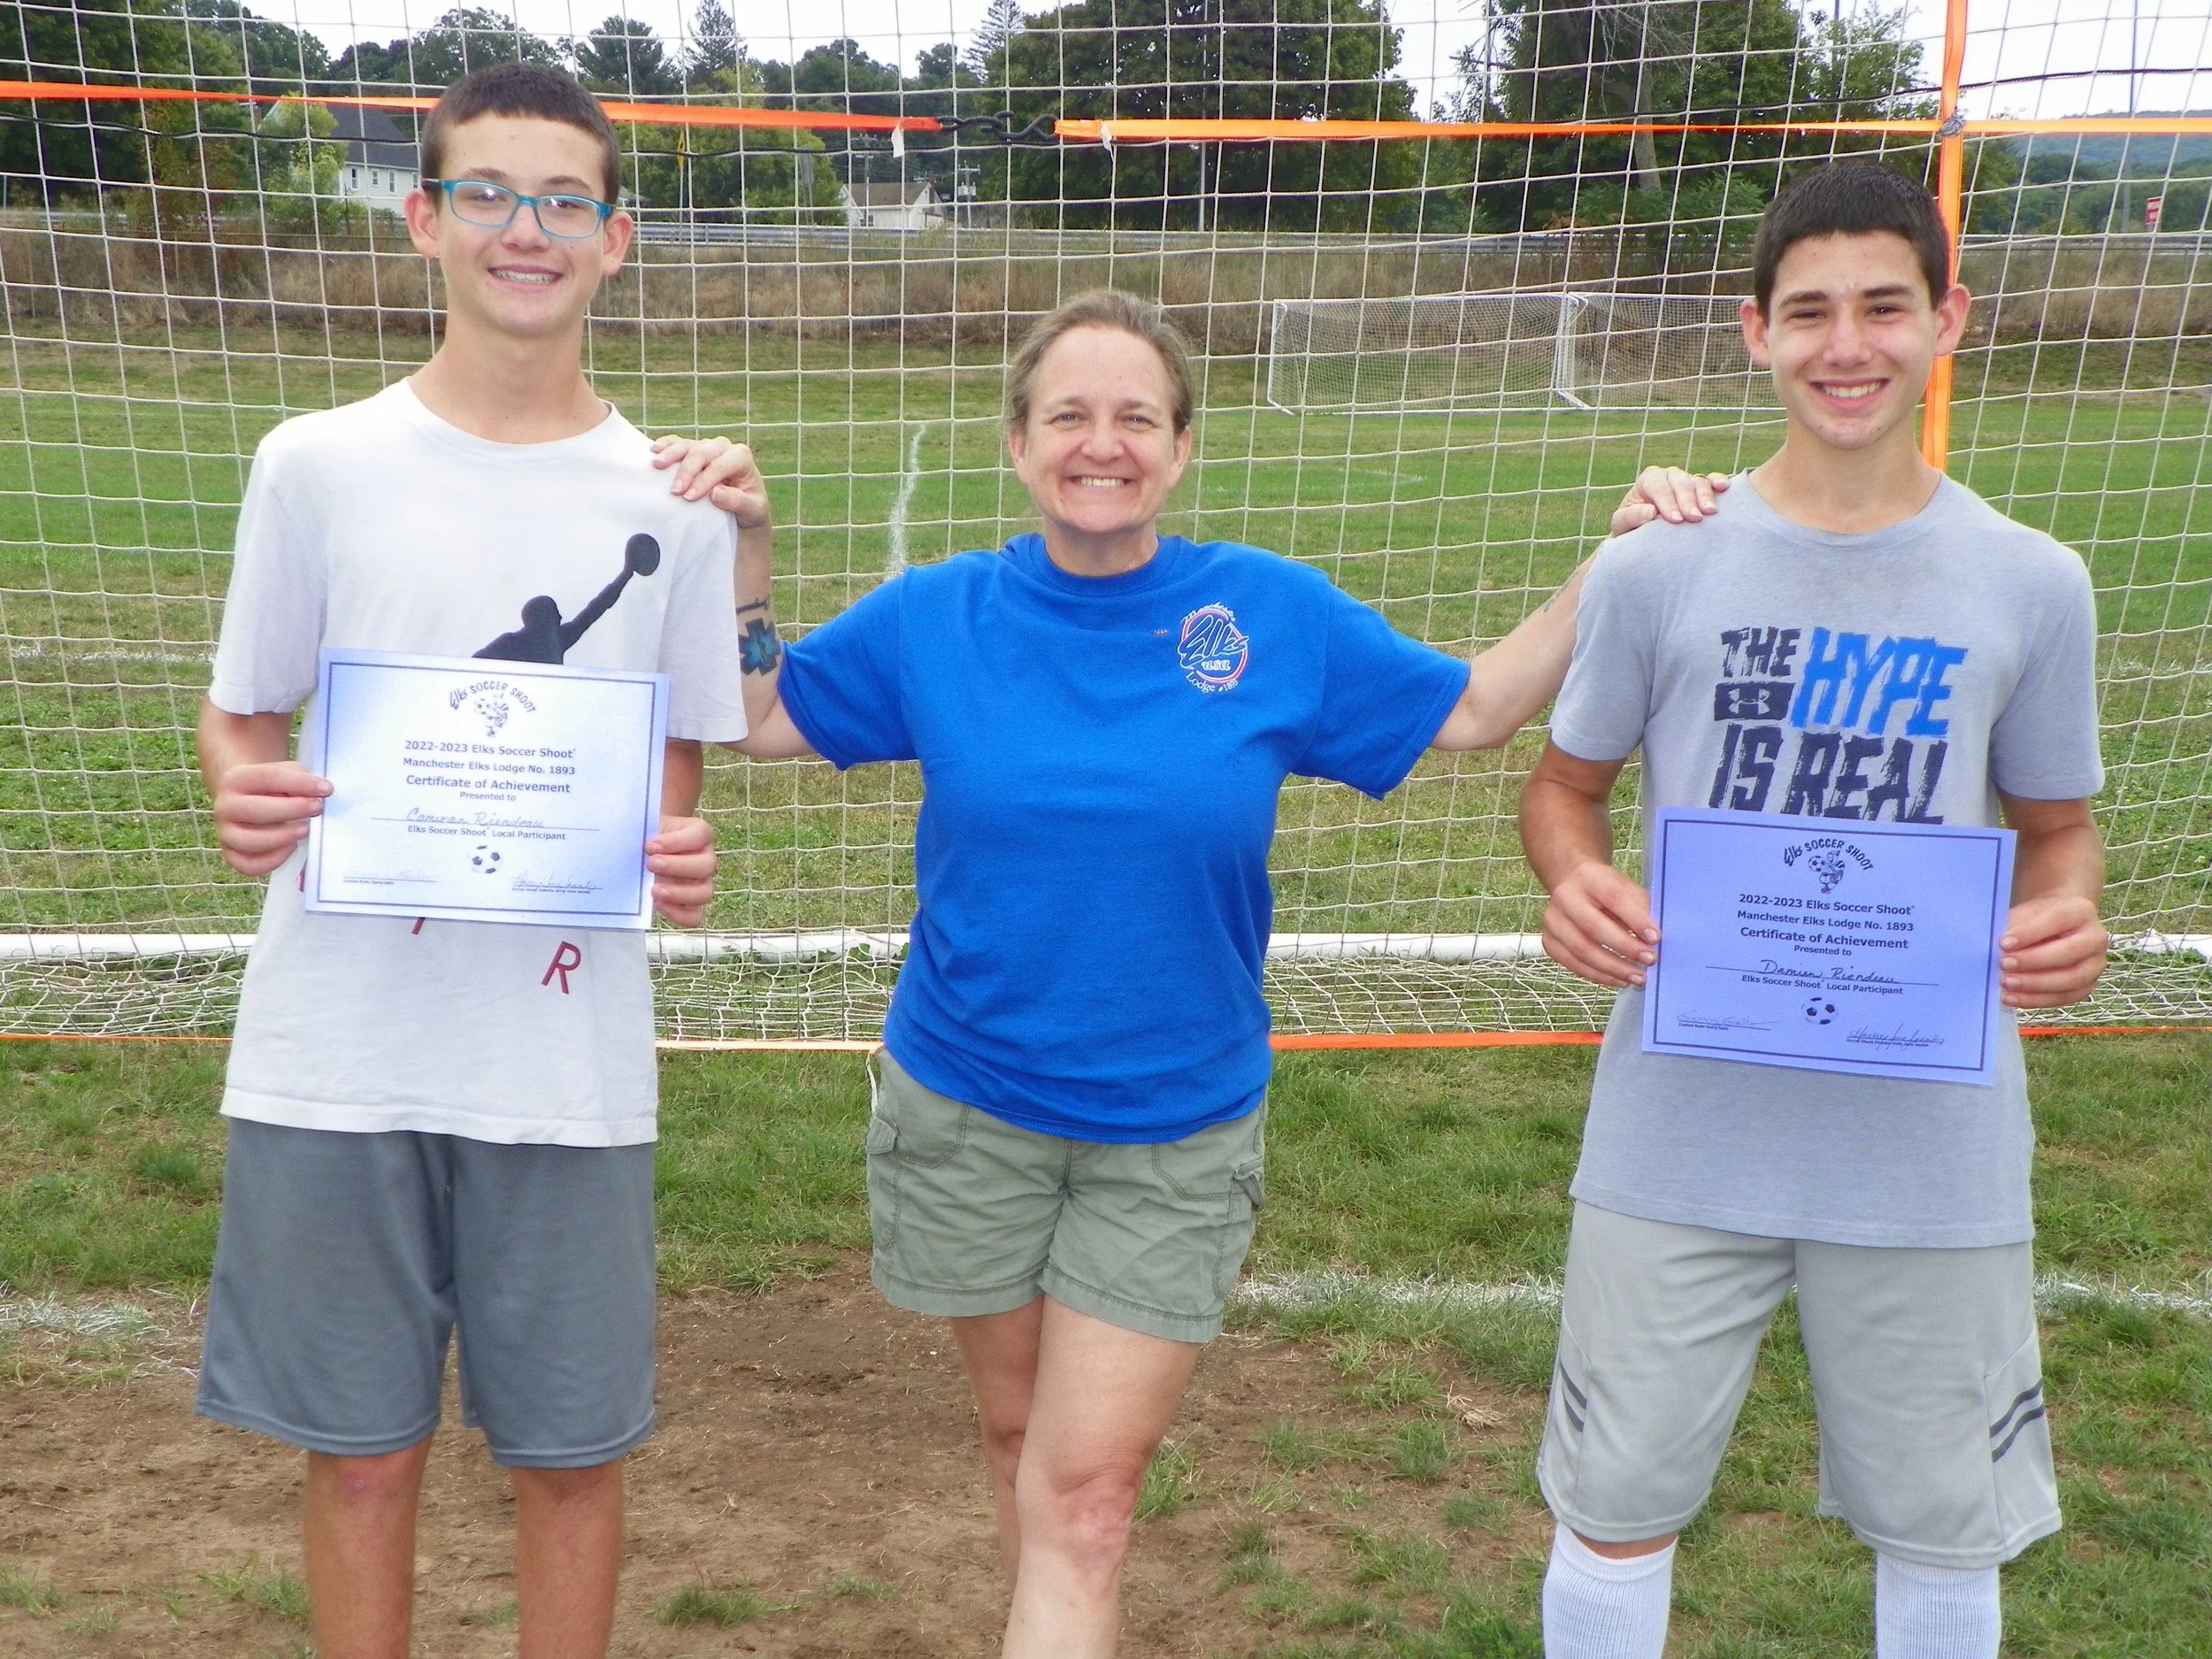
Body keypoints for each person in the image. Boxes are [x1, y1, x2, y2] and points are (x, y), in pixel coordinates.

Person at [664, 288, 1698, 1659]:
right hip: (965, 1101)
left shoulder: (1263, 611)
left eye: (1137, 416)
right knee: (1024, 1445)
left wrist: (1614, 557)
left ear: (1182, 445)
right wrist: (750, 543)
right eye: (1070, 415)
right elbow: (757, 710)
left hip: (1175, 1121)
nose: (1104, 442)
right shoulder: (941, 617)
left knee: (1085, 1497)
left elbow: (1472, 709)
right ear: (1021, 444)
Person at [194, 64, 762, 1659]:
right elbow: (240, 717)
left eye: (566, 199)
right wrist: (246, 797)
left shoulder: (679, 506)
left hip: (560, 1061)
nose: (531, 229)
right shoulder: (315, 461)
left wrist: (676, 853)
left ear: (619, 237)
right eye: (493, 195)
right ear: (424, 217)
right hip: (338, 1048)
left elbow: (673, 782)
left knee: (571, 1462)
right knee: (363, 1455)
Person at [1518, 160, 2108, 1659]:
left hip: (1927, 1144)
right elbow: (1562, 786)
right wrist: (1576, 880)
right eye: (1810, 313)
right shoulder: (1662, 560)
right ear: (1753, 332)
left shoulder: (2032, 583)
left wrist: (2068, 915)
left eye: (1884, 308)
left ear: (1947, 320)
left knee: (1939, 1524)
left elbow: (2059, 835)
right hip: (1682, 1126)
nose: (1847, 345)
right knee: (1615, 1506)